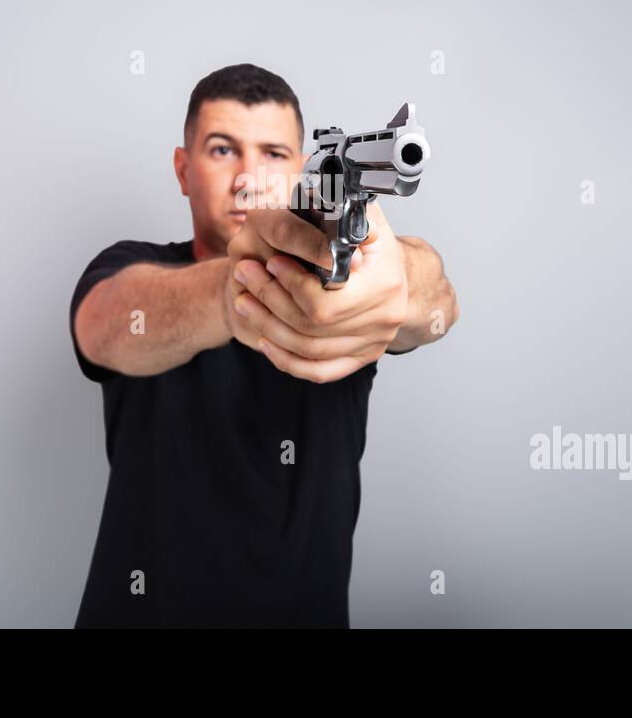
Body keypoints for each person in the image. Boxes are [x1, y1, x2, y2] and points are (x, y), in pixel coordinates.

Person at [70, 63, 459, 627]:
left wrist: (399, 282)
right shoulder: (130, 268)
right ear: (183, 170)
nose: (249, 178)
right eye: (223, 150)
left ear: (304, 168)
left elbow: (436, 297)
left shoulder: (348, 284)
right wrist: (236, 292)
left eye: (275, 154)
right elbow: (101, 325)